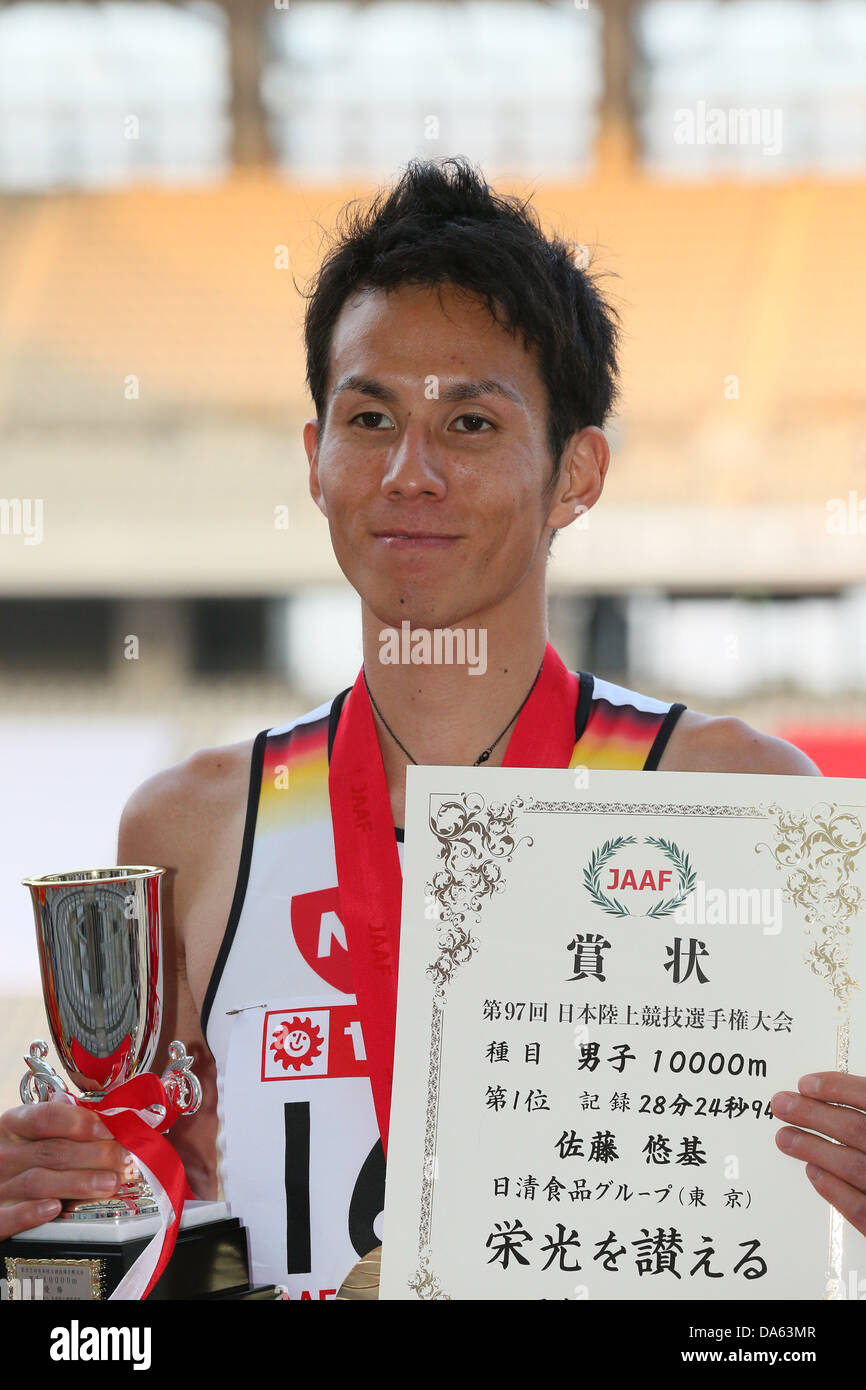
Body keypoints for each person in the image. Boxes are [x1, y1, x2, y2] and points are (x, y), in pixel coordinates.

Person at [2, 158, 864, 1296]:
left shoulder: (739, 800)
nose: (410, 472)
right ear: (313, 459)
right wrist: (51, 1216)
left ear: (576, 471)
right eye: (370, 417)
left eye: (467, 420)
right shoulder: (192, 827)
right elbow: (157, 1249)